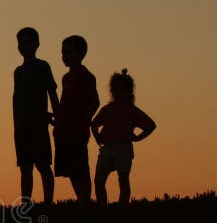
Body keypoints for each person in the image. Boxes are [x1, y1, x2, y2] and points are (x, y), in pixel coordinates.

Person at [91, 69, 157, 205]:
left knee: (123, 179)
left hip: (123, 148)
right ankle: (102, 206)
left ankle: (123, 207)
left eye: (122, 90)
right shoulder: (107, 109)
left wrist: (138, 138)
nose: (118, 93)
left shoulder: (131, 110)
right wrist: (97, 137)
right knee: (99, 180)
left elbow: (151, 125)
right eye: (115, 90)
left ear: (129, 92)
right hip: (107, 148)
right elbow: (94, 124)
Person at [12, 27, 59, 206]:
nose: (22, 46)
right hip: (21, 126)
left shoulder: (42, 66)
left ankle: (48, 203)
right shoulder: (18, 71)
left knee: (43, 166)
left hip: (38, 125)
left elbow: (52, 92)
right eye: (20, 43)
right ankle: (25, 203)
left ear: (36, 44)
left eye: (27, 42)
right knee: (25, 168)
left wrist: (58, 116)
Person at [54, 35, 100, 203]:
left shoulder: (86, 76)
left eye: (68, 53)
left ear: (80, 54)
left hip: (77, 131)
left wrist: (82, 123)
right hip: (63, 131)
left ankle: (85, 201)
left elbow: (94, 102)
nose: (64, 56)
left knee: (80, 168)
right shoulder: (66, 78)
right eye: (62, 53)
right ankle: (81, 200)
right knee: (70, 169)